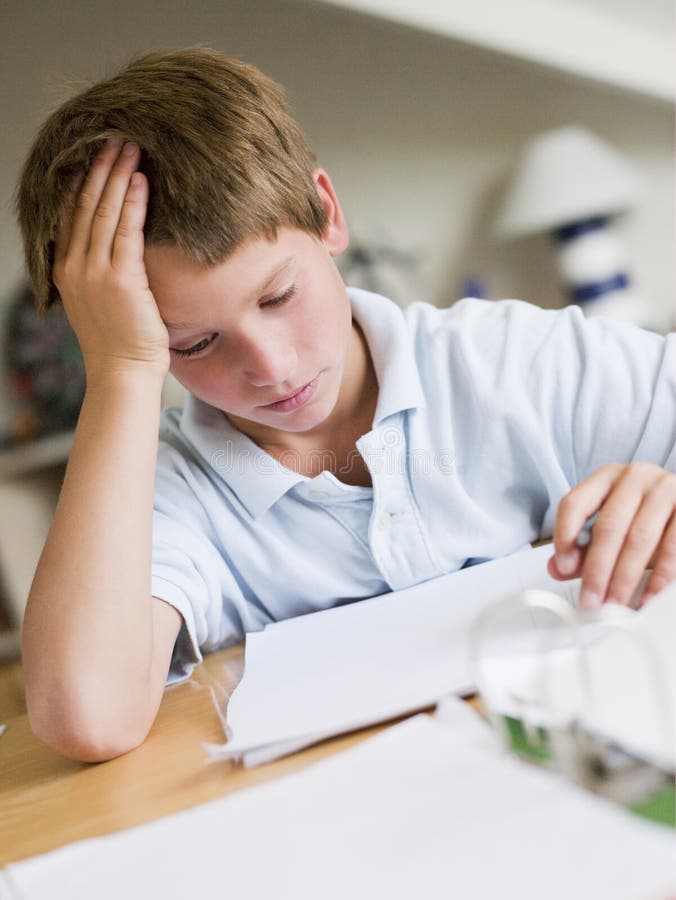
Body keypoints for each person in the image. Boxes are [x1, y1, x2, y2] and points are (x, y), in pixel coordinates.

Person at [16, 48, 676, 762]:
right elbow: (87, 716)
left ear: (327, 212)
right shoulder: (171, 500)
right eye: (196, 343)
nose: (271, 367)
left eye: (278, 296)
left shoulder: (517, 362)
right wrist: (121, 371)